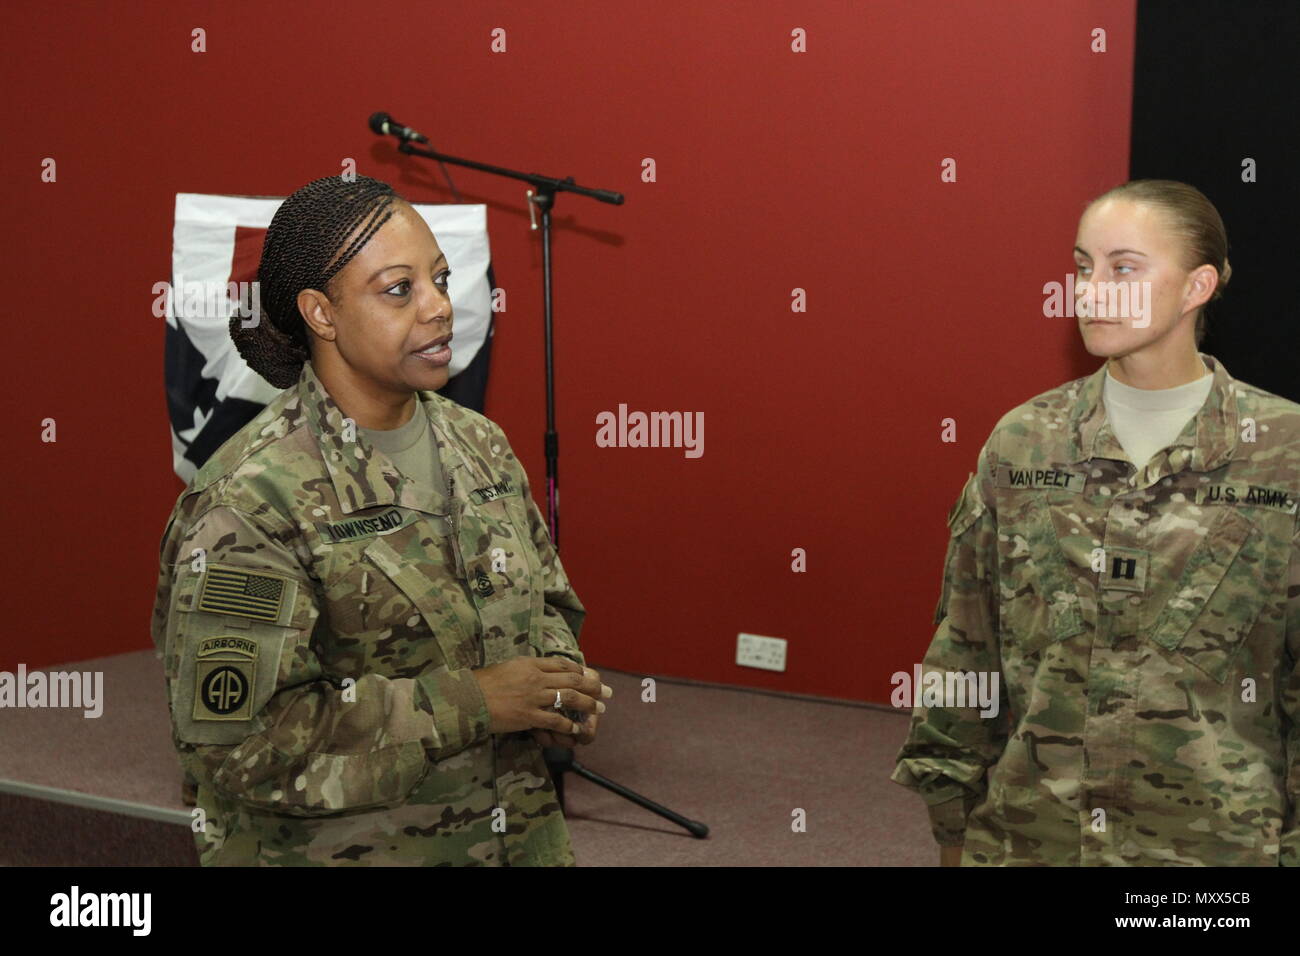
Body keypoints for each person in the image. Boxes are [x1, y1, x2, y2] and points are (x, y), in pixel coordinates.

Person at [151, 173, 612, 866]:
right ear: (321, 313)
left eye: (441, 280)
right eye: (399, 290)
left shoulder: (478, 443)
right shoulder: (250, 501)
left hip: (517, 838)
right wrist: (479, 702)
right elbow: (239, 745)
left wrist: (558, 683)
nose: (439, 309)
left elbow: (545, 600)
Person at [892, 179, 1300, 866]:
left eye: (1125, 267)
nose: (1091, 290)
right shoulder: (1025, 442)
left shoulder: (1281, 454)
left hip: (1217, 855)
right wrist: (952, 825)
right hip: (1031, 840)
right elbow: (967, 649)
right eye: (1083, 266)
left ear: (1198, 286)